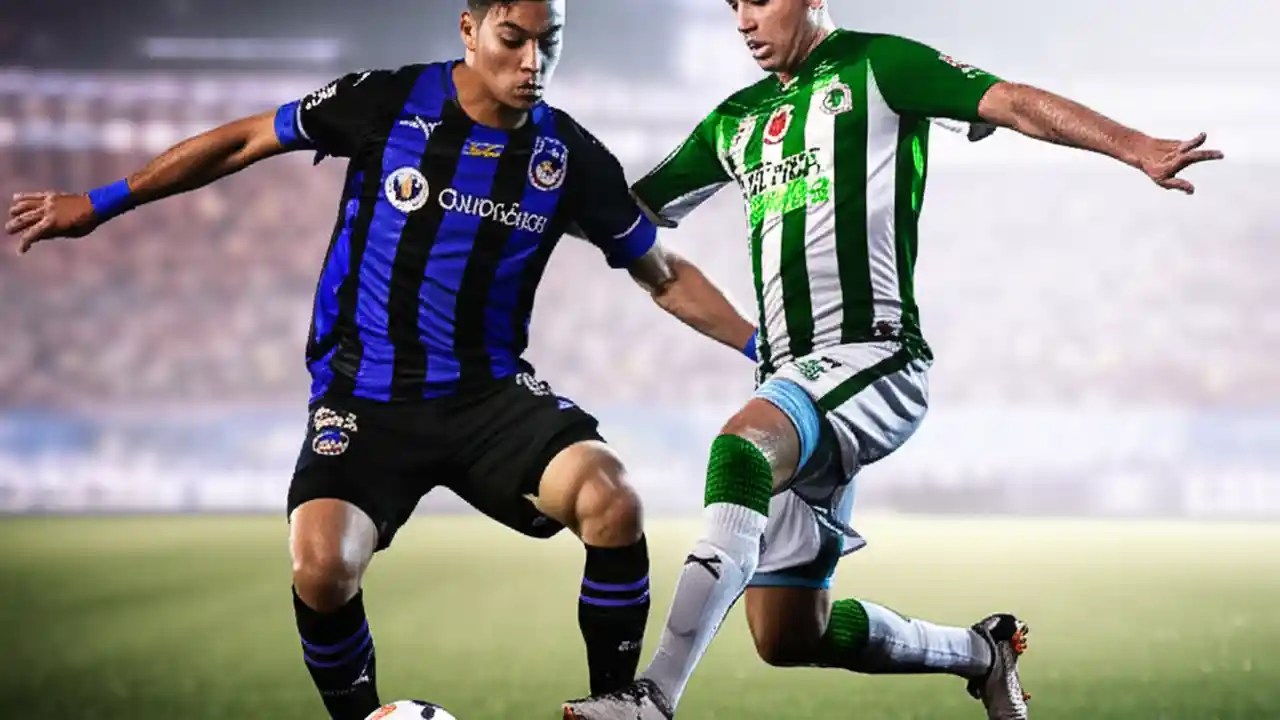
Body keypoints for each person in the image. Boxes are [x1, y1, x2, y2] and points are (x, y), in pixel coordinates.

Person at [5, 2, 755, 719]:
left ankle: (613, 706)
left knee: (612, 498)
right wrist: (101, 202)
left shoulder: (572, 156)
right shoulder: (387, 101)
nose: (533, 62)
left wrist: (761, 346)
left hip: (488, 396)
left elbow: (663, 273)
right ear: (469, 29)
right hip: (364, 397)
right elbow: (242, 141)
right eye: (512, 37)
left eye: (548, 41)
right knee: (321, 566)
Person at [562, 1, 1223, 719]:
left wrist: (1135, 147)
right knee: (789, 634)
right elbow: (626, 224)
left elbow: (1014, 104)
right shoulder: (736, 119)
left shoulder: (879, 65)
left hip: (877, 357)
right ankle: (982, 653)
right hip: (796, 381)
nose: (745, 20)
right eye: (734, 4)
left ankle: (653, 696)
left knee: (740, 450)